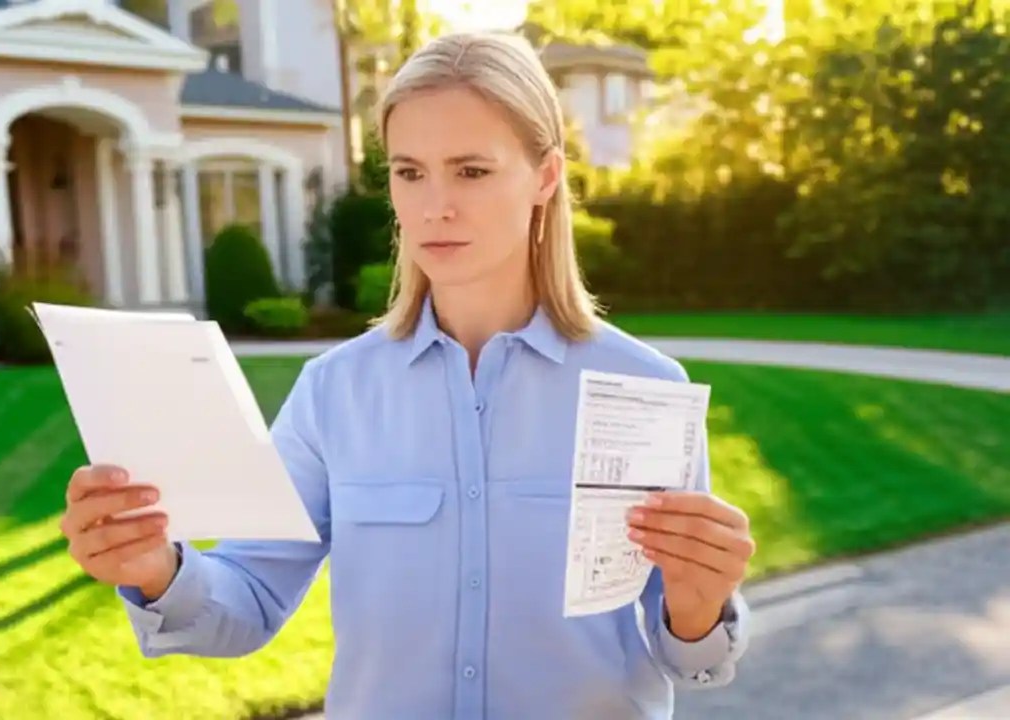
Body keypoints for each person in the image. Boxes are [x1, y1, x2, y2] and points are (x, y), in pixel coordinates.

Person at [60, 30, 755, 719]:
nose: (434, 206)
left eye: (471, 171)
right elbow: (247, 602)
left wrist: (697, 607)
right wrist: (156, 568)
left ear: (545, 175)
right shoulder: (335, 393)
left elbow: (692, 661)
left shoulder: (644, 388)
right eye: (409, 171)